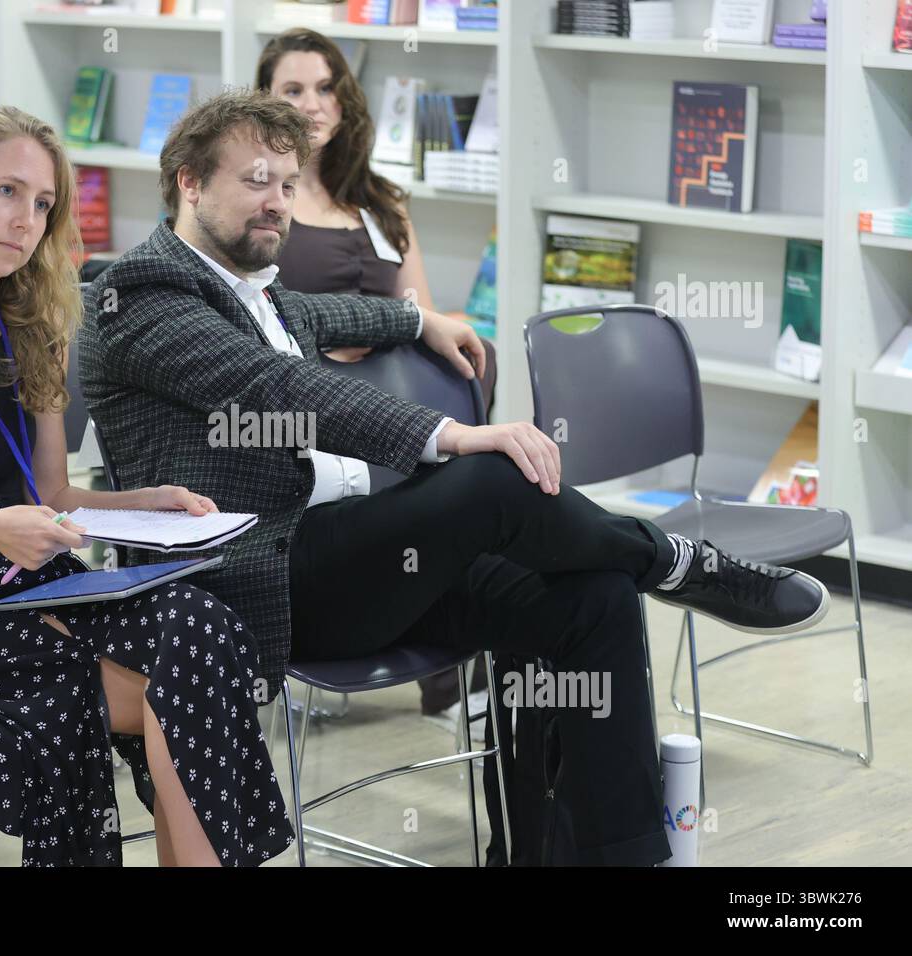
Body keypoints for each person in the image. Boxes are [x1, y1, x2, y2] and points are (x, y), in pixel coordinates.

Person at [78, 89, 831, 866]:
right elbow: (280, 388)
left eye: (288, 184)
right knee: (491, 477)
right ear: (188, 182)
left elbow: (335, 315)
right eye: (256, 180)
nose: (277, 203)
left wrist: (419, 318)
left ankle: (612, 856)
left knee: (589, 595)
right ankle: (675, 562)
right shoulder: (140, 295)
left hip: (357, 570)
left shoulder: (257, 291)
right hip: (256, 580)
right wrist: (452, 434)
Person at [0, 105, 293, 867]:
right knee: (182, 686)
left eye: (42, 204)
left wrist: (143, 501)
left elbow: (52, 496)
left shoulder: (30, 330)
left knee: (204, 626)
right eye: (7, 191)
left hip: (44, 584)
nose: (27, 220)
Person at [258, 27, 497, 722]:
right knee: (454, 495)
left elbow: (418, 310)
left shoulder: (383, 199)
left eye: (326, 87)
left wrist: (424, 333)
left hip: (395, 403)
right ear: (262, 103)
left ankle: (457, 671)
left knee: (474, 362)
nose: (313, 104)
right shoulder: (261, 202)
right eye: (292, 90)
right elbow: (247, 324)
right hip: (307, 413)